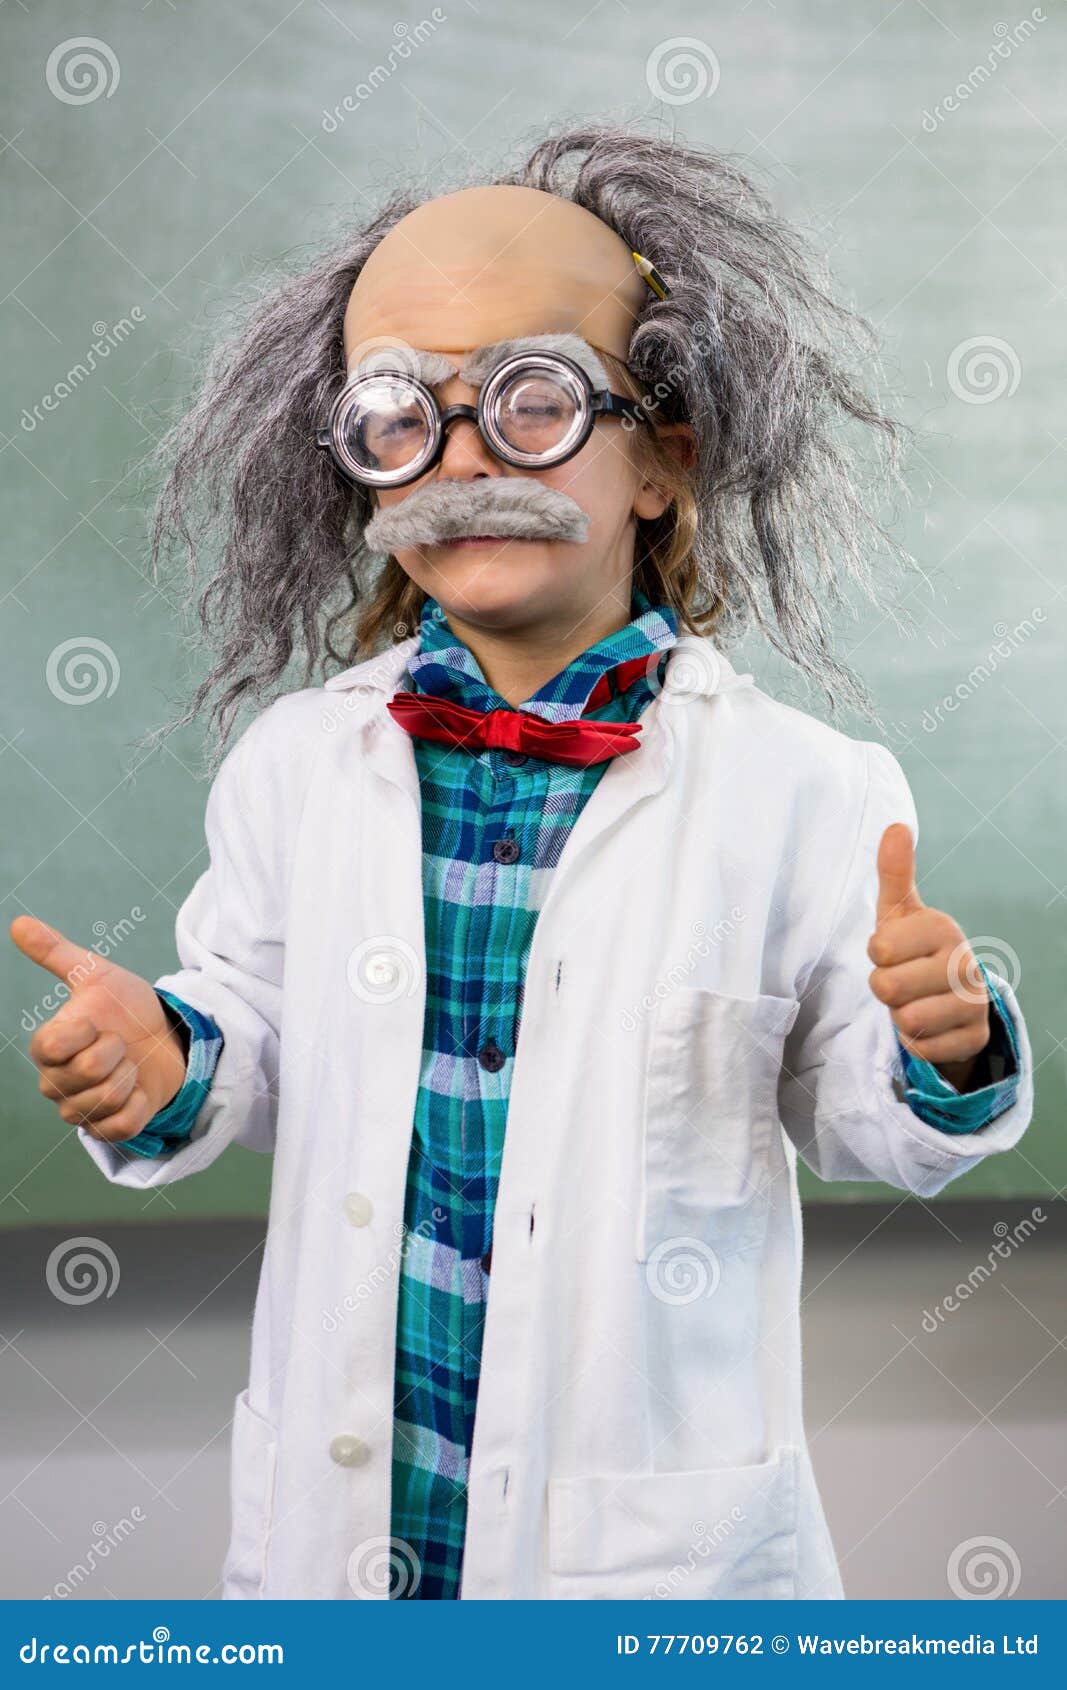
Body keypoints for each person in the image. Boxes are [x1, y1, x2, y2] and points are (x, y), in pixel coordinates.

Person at [11, 125, 1031, 1601]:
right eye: (395, 413)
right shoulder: (299, 765)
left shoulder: (800, 789)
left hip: (647, 1576)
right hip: (345, 1544)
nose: (462, 453)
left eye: (531, 395)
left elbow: (873, 1116)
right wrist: (169, 1053)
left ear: (667, 457)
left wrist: (944, 1045)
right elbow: (261, 1040)